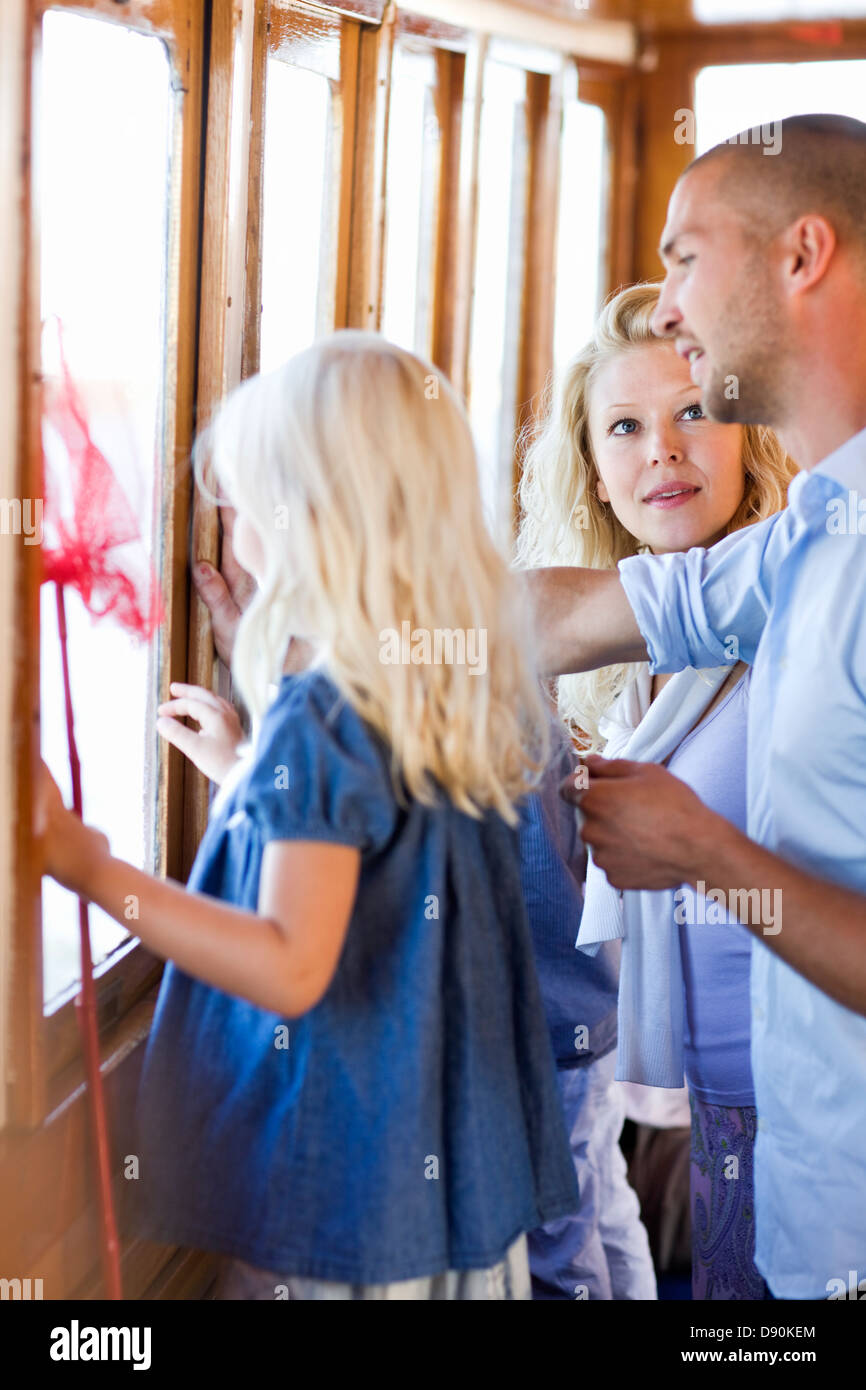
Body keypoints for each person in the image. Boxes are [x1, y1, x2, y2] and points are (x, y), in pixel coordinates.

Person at [36, 331, 580, 1300]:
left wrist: (86, 864)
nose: (232, 525)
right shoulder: (450, 691)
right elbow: (380, 863)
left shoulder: (323, 715)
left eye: (244, 501)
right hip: (441, 1204)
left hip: (338, 1218)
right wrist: (245, 775)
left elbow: (290, 962)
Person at [522, 114, 866, 1301]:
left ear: (800, 254)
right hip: (796, 1202)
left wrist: (701, 851)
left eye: (680, 257)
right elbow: (566, 613)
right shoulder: (810, 537)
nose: (665, 307)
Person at [517, 281, 796, 1300]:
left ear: (746, 438)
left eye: (692, 413)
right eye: (623, 427)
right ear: (592, 474)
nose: (660, 451)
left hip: (804, 1095)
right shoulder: (627, 667)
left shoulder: (790, 603)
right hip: (721, 1100)